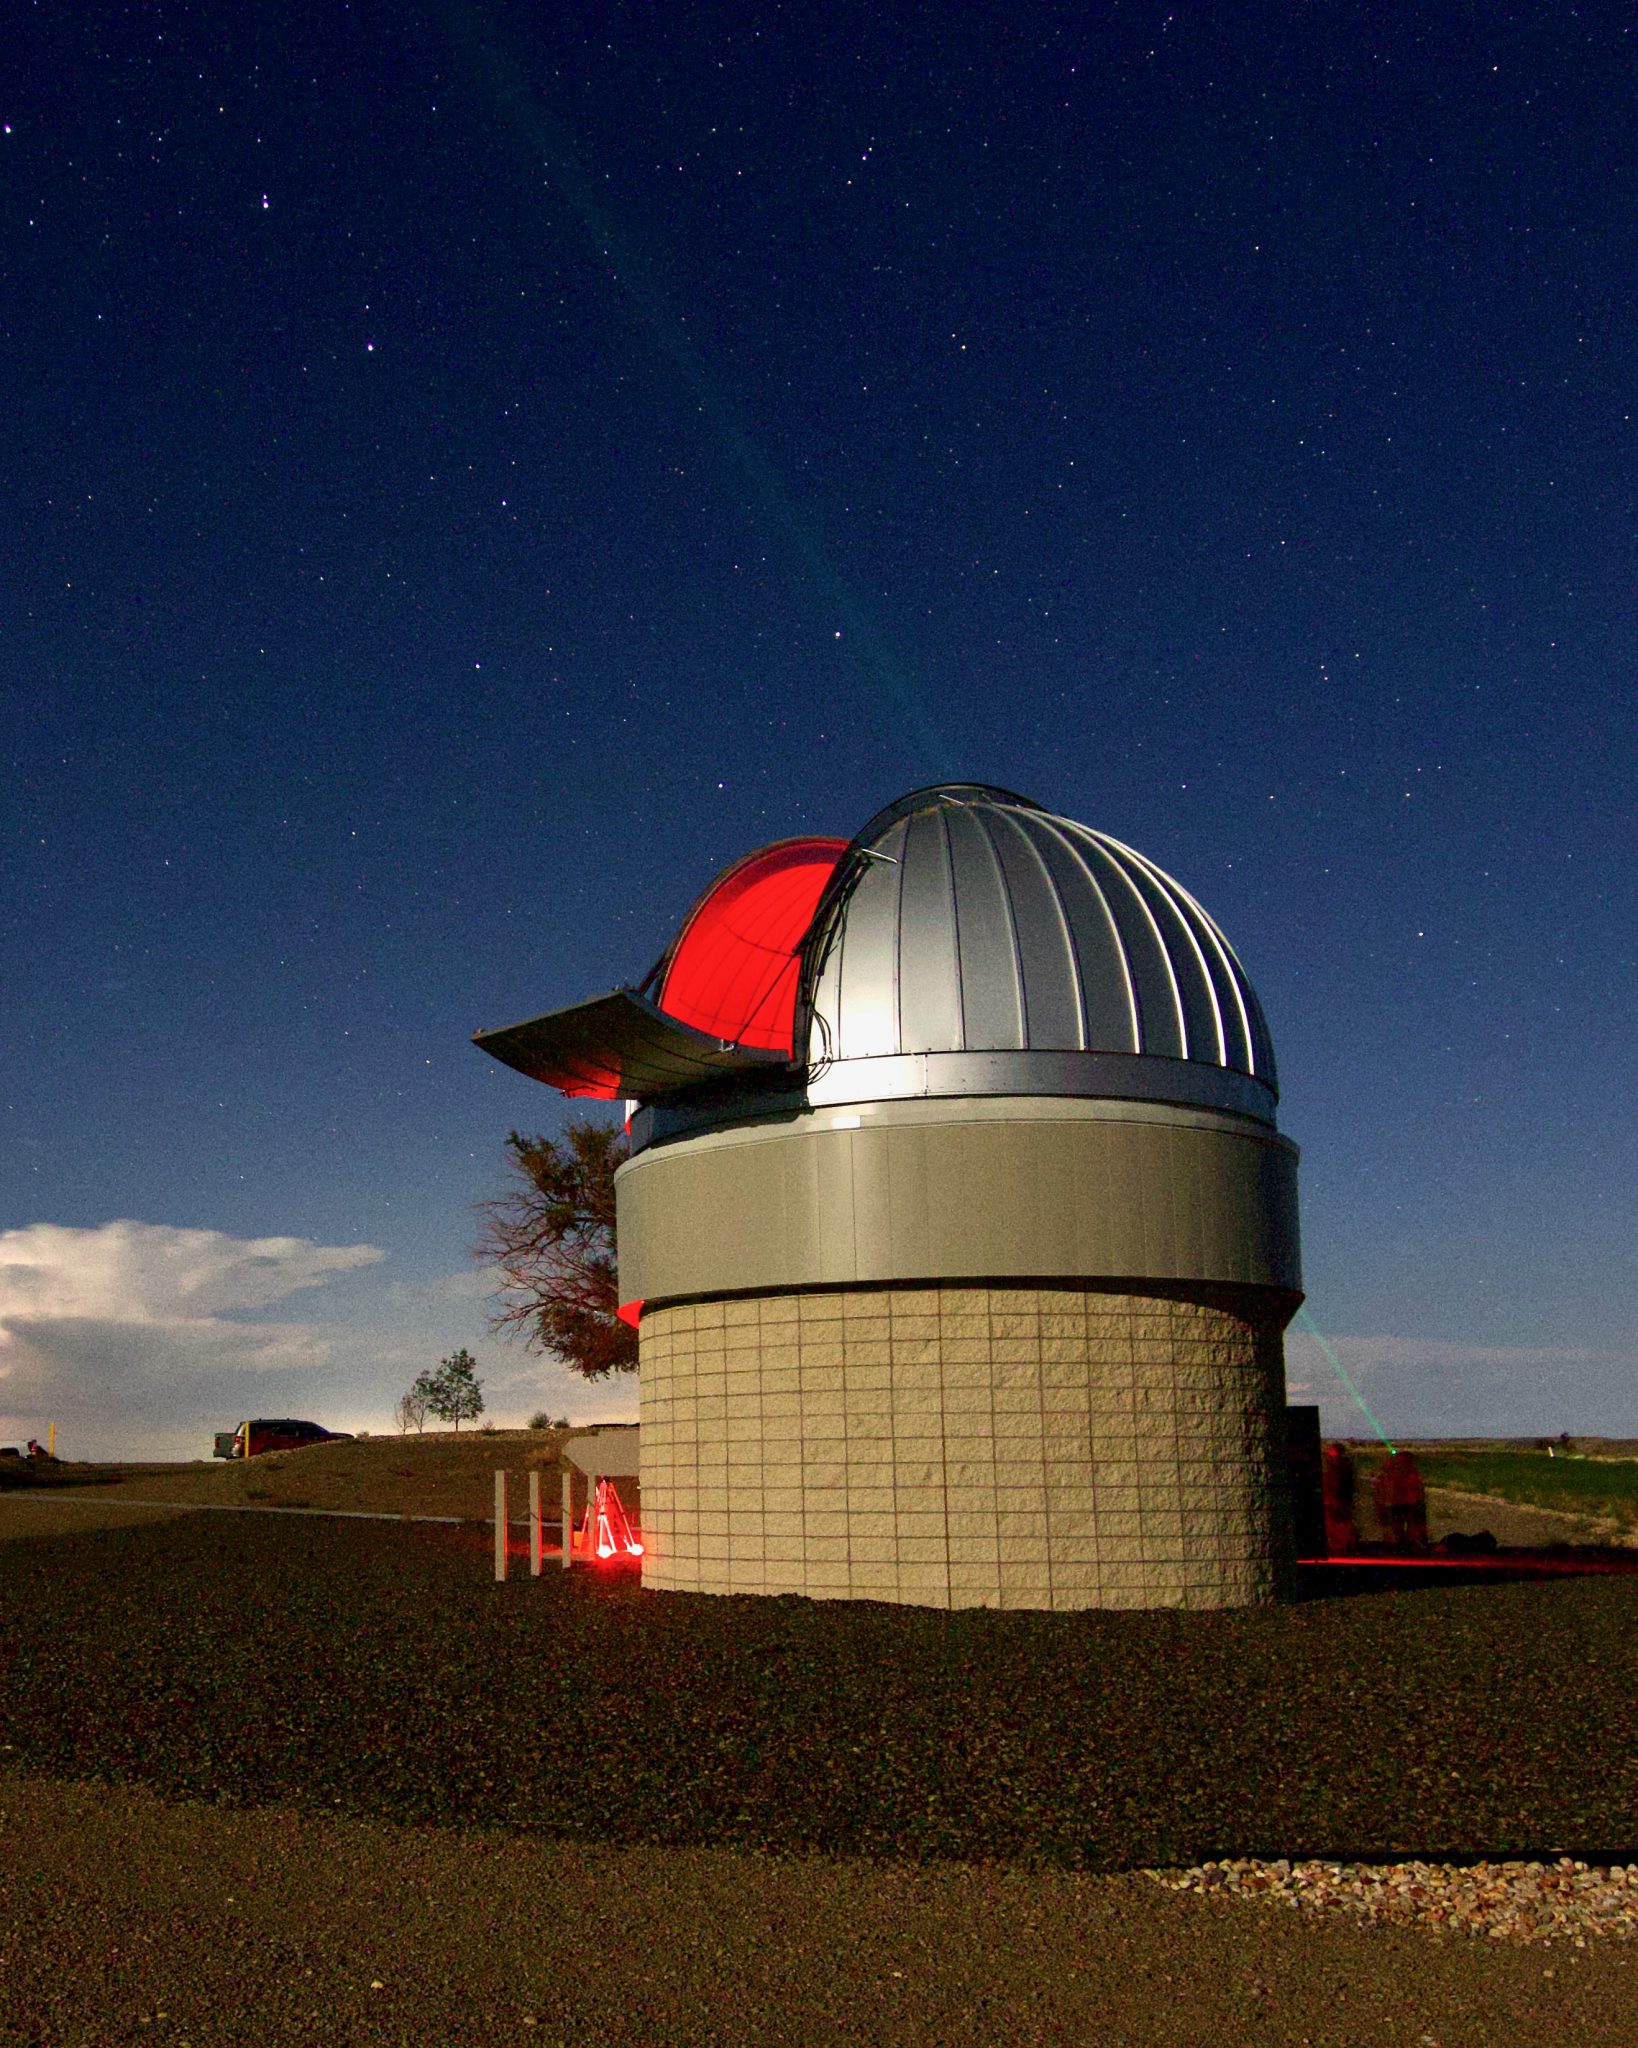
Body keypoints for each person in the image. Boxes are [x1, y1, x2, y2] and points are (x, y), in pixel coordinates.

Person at [1372, 1449, 1428, 1549]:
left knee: (1410, 1533)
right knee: (1397, 1532)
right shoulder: (1391, 1476)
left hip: (1408, 1505)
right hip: (1400, 1505)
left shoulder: (1411, 1476)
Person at [1321, 1443, 1358, 1555]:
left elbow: (1339, 1483)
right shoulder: (1343, 1466)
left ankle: (1341, 1545)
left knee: (1339, 1522)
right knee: (1340, 1522)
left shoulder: (1339, 1467)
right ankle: (1343, 1544)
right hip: (1339, 1498)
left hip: (1338, 1498)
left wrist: (1335, 1497)